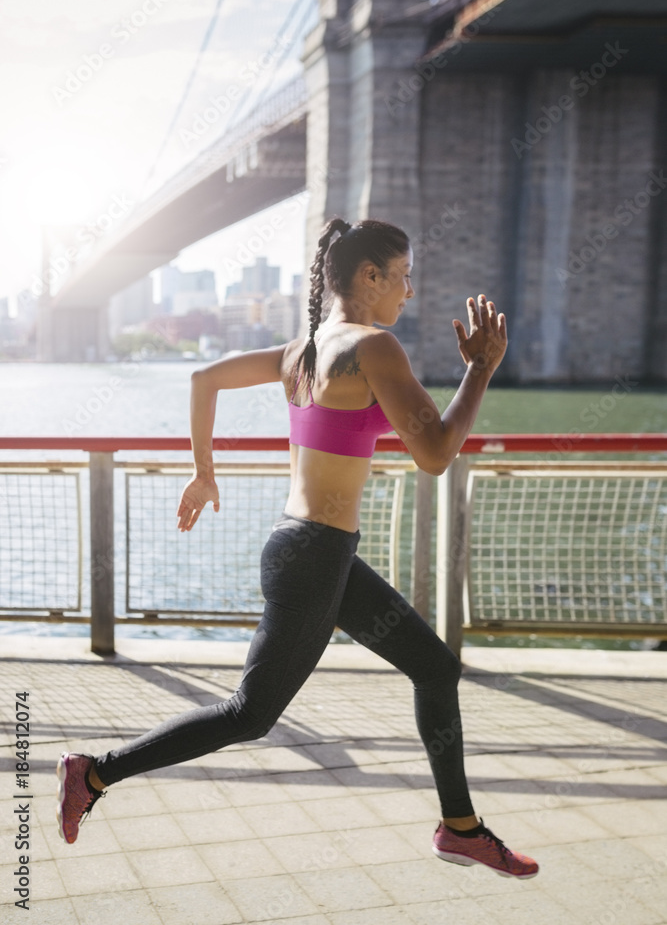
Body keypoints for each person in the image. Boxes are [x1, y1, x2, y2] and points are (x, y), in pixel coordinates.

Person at [57, 217, 538, 879]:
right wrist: (480, 370)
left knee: (433, 668)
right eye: (402, 275)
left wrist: (205, 471)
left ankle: (460, 828)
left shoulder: (302, 349)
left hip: (314, 551)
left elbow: (203, 379)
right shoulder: (375, 347)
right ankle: (94, 773)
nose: (408, 289)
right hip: (314, 557)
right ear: (369, 277)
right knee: (249, 715)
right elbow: (433, 454)